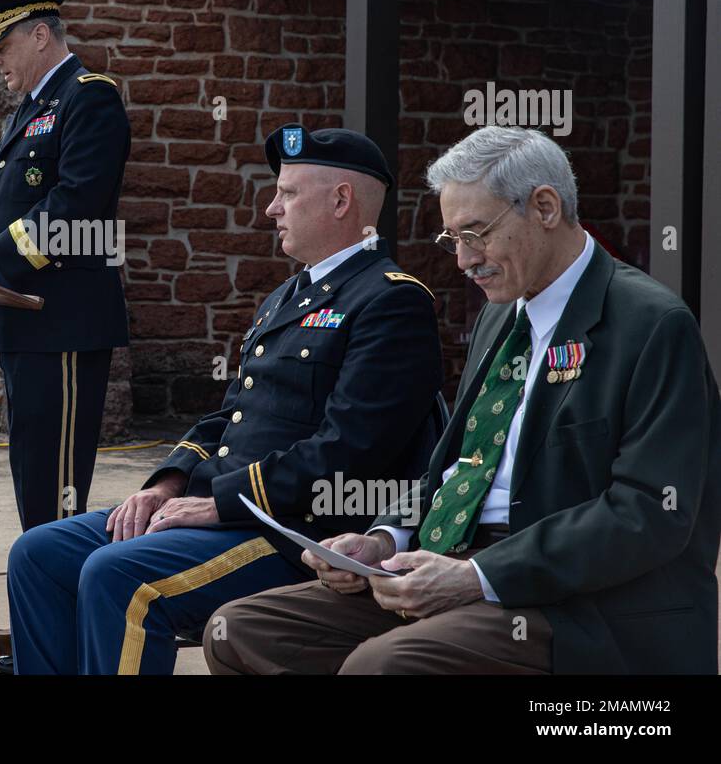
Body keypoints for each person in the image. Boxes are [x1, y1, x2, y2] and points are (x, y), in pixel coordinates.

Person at [203, 125, 721, 675]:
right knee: (238, 632)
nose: (463, 262)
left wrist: (477, 576)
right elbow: (458, 466)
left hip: (574, 605)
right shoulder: (502, 312)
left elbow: (649, 513)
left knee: (383, 666)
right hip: (448, 563)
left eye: (476, 233)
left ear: (545, 207)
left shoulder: (652, 324)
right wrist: (384, 538)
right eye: (452, 240)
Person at [4, 125, 446, 674]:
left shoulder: (391, 301)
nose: (270, 209)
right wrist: (166, 484)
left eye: (287, 193)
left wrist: (219, 504)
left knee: (119, 574)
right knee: (37, 554)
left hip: (292, 532)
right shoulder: (286, 296)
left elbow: (348, 450)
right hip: (226, 511)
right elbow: (229, 415)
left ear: (340, 201)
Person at [0, 0, 131, 532]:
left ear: (40, 35)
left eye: (1, 46)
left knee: (57, 480)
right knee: (31, 469)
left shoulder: (89, 97)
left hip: (63, 318)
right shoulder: (30, 109)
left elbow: (75, 204)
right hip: (23, 316)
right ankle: (42, 594)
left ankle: (59, 599)